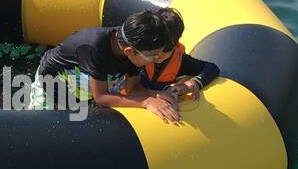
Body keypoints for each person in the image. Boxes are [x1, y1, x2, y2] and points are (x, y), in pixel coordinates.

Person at [30, 8, 218, 123]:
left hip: (85, 89)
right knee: (41, 127)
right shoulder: (95, 47)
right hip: (53, 84)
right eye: (153, 57)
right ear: (130, 51)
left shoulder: (136, 48)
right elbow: (102, 97)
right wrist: (146, 102)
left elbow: (132, 87)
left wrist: (158, 94)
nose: (157, 60)